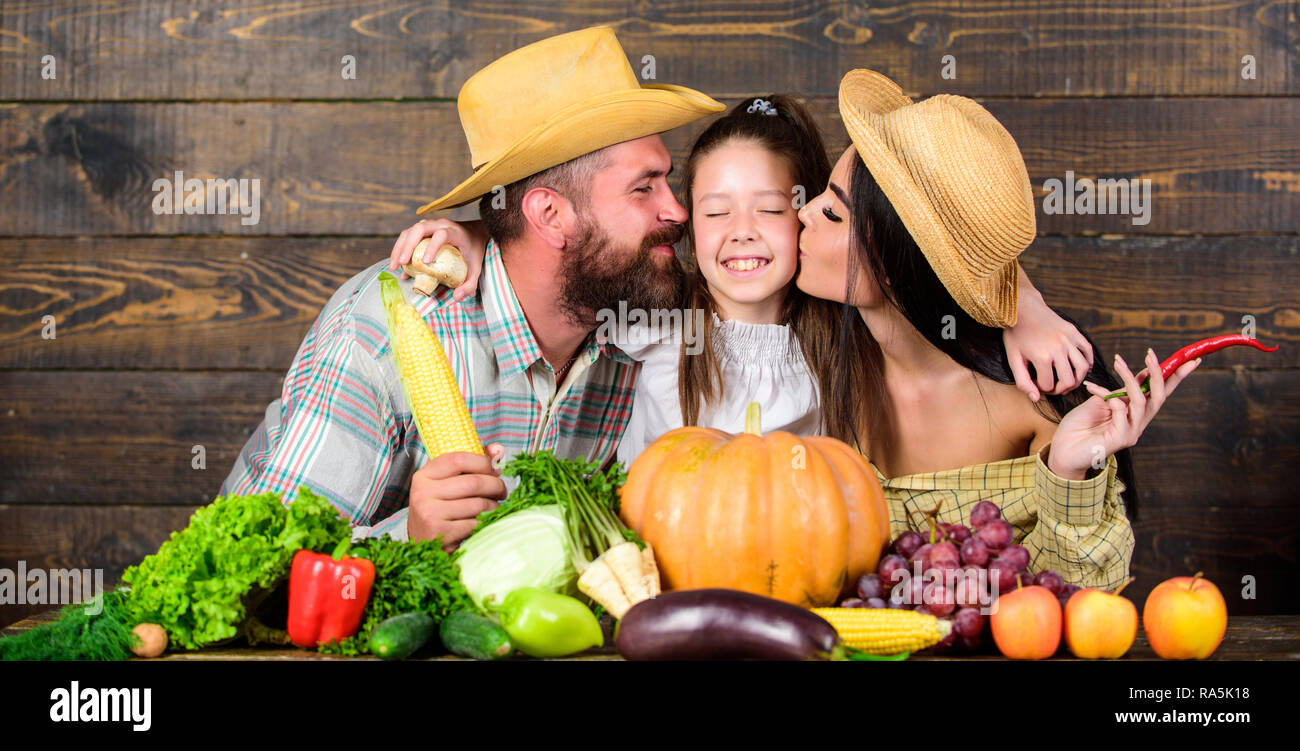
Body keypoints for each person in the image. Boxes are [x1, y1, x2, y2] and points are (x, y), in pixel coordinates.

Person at [220, 26, 727, 550]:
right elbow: (259, 559)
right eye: (644, 188)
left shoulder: (643, 319)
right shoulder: (387, 328)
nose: (677, 210)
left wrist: (484, 230)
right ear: (550, 215)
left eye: (667, 181)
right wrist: (411, 537)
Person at [390, 97, 1098, 466]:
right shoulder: (659, 314)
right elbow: (564, 256)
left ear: (814, 216)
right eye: (714, 210)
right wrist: (482, 234)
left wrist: (1021, 304)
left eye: (771, 208)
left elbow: (929, 231)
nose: (743, 231)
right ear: (684, 225)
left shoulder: (840, 328)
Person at [794, 70, 1200, 589]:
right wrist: (1025, 301)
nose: (802, 213)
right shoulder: (818, 338)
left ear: (897, 262)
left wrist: (1071, 471)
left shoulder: (1033, 394)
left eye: (832, 212)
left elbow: (1078, 594)